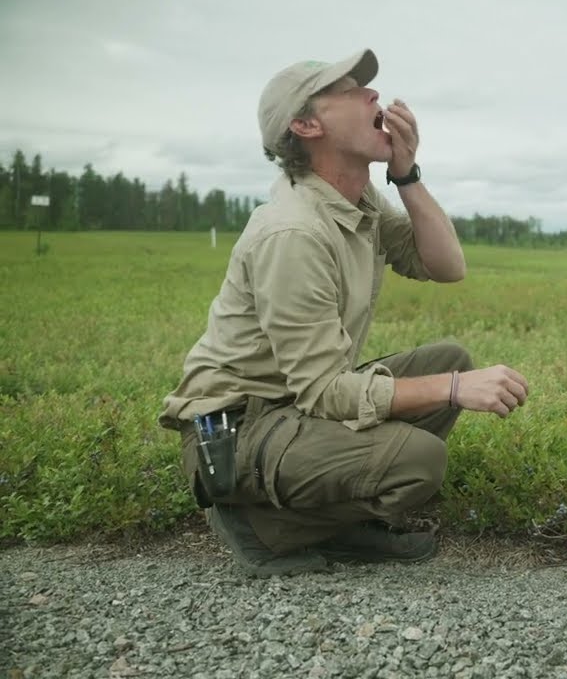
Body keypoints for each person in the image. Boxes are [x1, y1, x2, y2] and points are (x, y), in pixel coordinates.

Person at [159, 49, 530, 577]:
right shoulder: (293, 232)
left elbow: (446, 266)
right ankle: (260, 526)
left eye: (369, 88)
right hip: (238, 430)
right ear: (306, 125)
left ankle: (335, 522)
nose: (374, 96)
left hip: (294, 409)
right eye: (352, 91)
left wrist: (408, 174)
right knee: (419, 460)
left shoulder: (361, 203)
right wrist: (453, 388)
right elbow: (325, 391)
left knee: (451, 358)